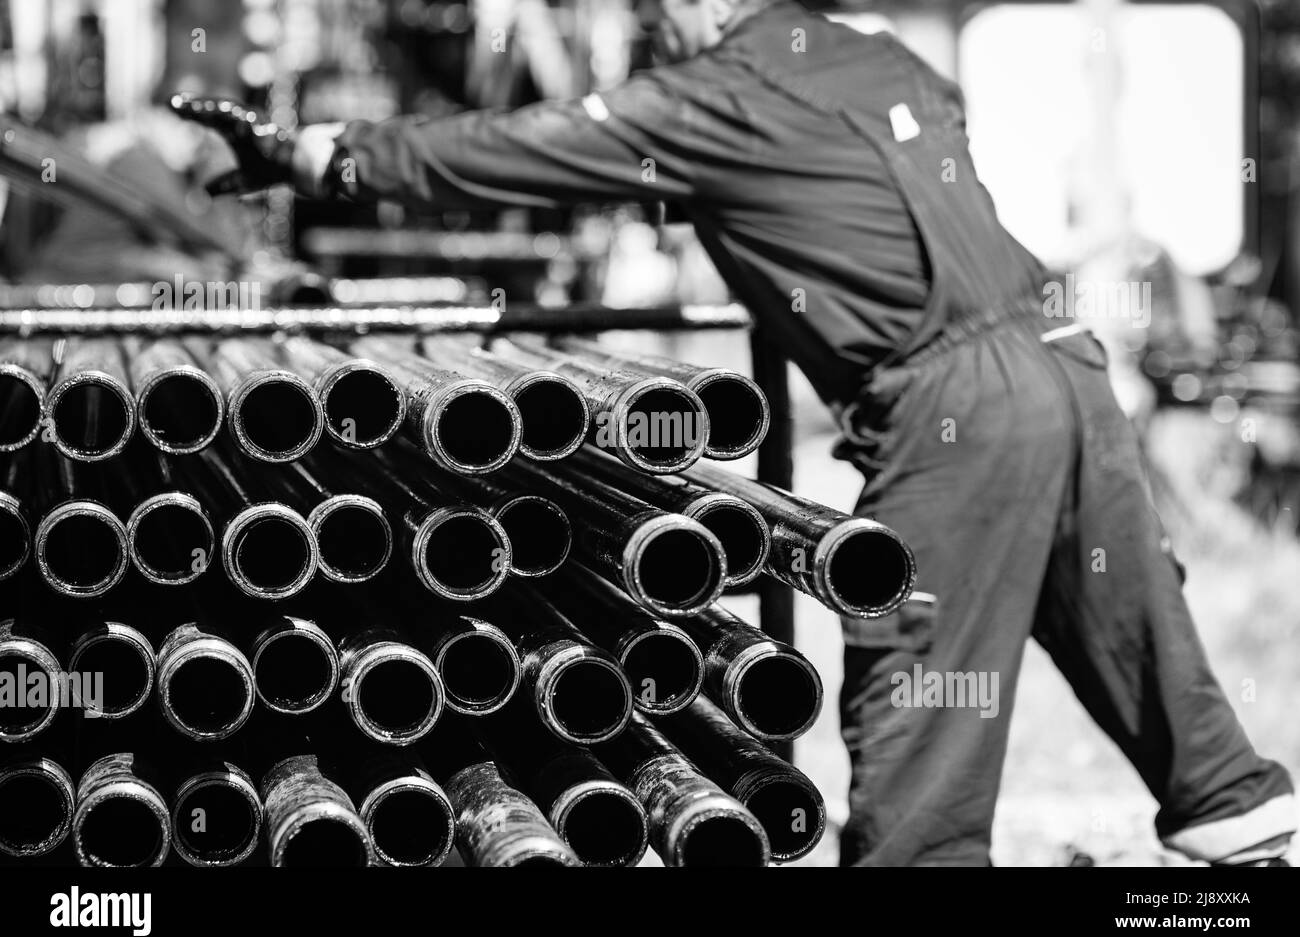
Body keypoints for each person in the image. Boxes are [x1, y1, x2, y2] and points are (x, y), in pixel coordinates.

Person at [172, 0, 1295, 866]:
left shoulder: (716, 98)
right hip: (1062, 358)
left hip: (953, 403)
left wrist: (319, 154)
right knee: (1135, 630)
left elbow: (522, 145)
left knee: (919, 683)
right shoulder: (879, 57)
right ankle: (1236, 818)